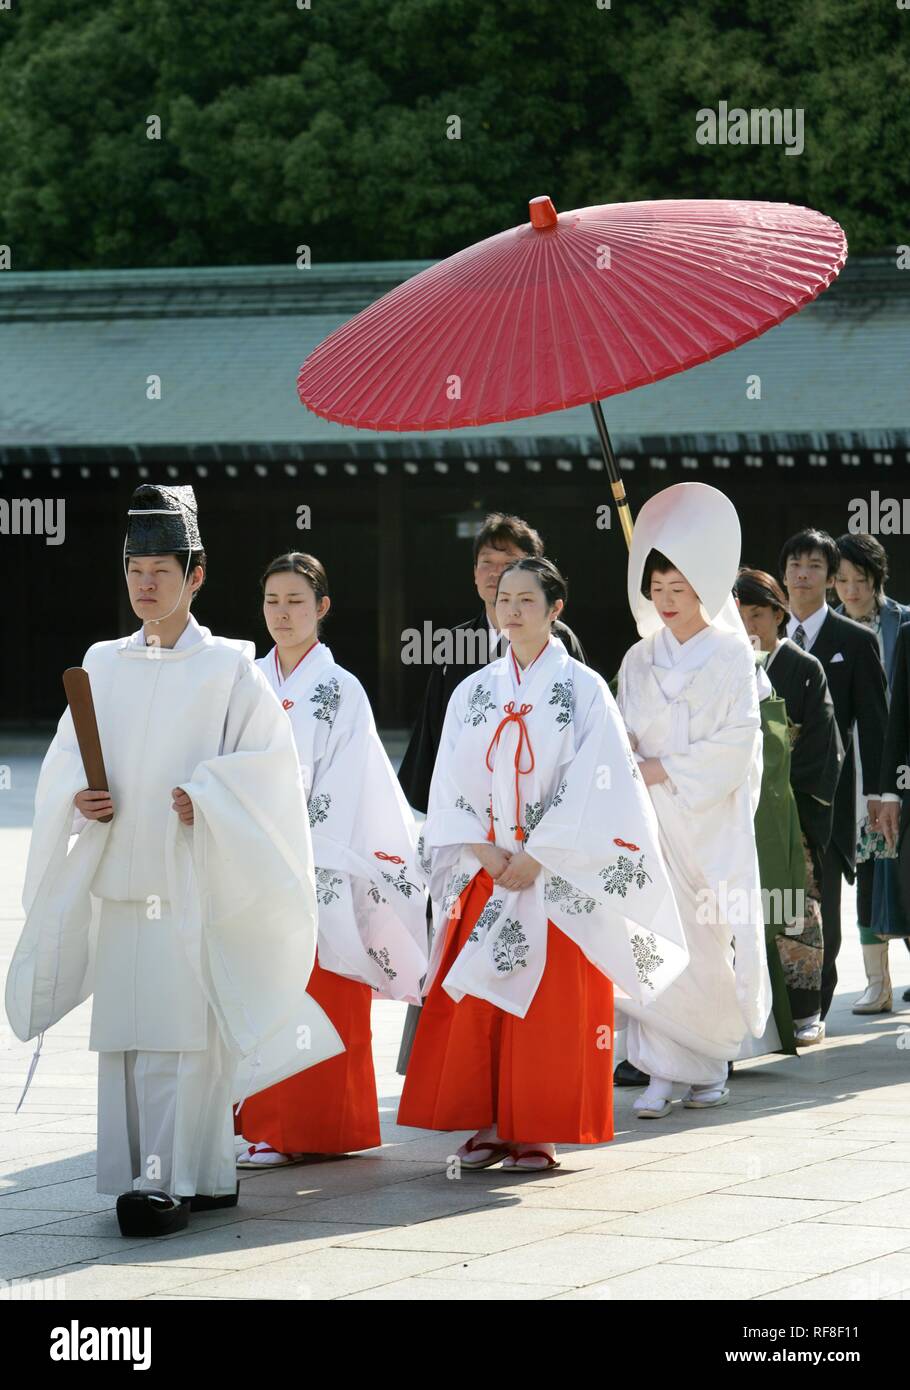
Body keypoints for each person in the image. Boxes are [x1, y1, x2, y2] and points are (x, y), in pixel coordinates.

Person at [5, 485, 341, 1237]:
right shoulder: (102, 661)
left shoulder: (229, 666)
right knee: (127, 1032)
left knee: (182, 1036)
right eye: (134, 568)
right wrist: (77, 801)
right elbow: (66, 763)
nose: (145, 583)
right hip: (123, 874)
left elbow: (270, 767)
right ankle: (165, 1174)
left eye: (161, 568)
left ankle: (173, 1180)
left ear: (196, 575)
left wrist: (209, 796)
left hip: (190, 876)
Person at [397, 556, 686, 1168]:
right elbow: (448, 779)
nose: (512, 609)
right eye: (505, 598)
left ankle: (539, 1126)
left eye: (527, 599)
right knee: (482, 1008)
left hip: (557, 876)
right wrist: (482, 848)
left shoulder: (585, 689)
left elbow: (601, 785)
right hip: (490, 866)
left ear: (556, 609)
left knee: (549, 1012)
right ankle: (490, 1124)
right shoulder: (474, 692)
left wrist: (539, 854)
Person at [236, 553, 428, 1166]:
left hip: (319, 863)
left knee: (319, 989)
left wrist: (294, 844)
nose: (282, 613)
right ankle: (265, 1125)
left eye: (296, 601)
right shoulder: (245, 681)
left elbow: (350, 786)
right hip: (254, 862)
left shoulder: (340, 689)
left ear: (322, 608)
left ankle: (318, 1129)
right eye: (272, 601)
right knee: (261, 992)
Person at [396, 512, 587, 1074]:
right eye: (486, 565)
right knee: (457, 953)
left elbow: (577, 755)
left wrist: (541, 843)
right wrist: (465, 833)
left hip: (538, 844)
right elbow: (439, 752)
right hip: (475, 844)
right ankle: (453, 1080)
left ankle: (534, 1090)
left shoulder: (564, 651)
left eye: (508, 566)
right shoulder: (455, 646)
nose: (496, 579)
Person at [614, 483, 772, 1118]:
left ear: (703, 590)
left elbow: (739, 741)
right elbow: (621, 725)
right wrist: (625, 750)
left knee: (707, 942)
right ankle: (660, 1072)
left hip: (705, 821)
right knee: (653, 933)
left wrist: (665, 767)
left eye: (679, 590)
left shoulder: (734, 655)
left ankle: (707, 1064)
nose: (667, 602)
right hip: (652, 821)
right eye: (657, 590)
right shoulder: (636, 657)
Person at [779, 529, 888, 1020]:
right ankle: (780, 999)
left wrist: (883, 793)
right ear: (783, 573)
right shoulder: (761, 634)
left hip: (832, 794)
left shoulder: (855, 640)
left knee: (824, 893)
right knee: (776, 894)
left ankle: (817, 1006)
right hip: (767, 792)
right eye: (795, 565)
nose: (803, 574)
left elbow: (876, 724)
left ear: (829, 578)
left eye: (815, 567)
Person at [736, 568, 843, 1045]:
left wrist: (784, 796)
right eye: (738, 617)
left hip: (789, 808)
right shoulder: (726, 666)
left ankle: (805, 1011)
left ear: (778, 614)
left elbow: (823, 745)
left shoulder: (803, 668)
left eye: (757, 615)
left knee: (795, 906)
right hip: (736, 805)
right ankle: (748, 1016)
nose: (748, 628)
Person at [833, 532, 910, 1011]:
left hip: (896, 771)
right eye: (841, 581)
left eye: (860, 580)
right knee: (867, 871)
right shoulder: (832, 631)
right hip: (853, 773)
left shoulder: (901, 623)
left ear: (878, 579)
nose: (851, 591)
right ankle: (876, 983)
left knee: (902, 871)